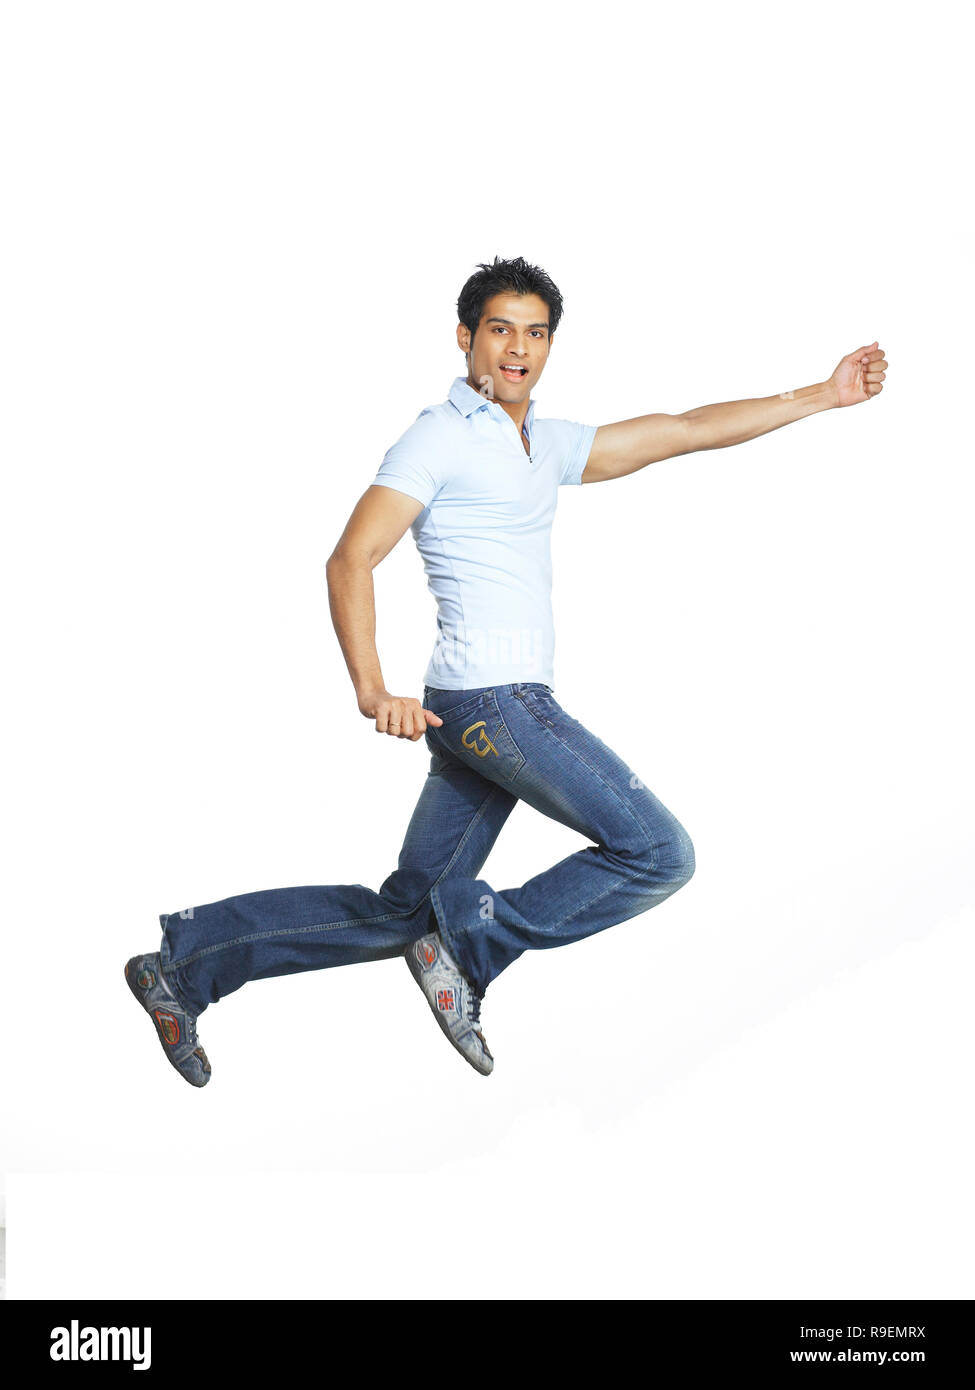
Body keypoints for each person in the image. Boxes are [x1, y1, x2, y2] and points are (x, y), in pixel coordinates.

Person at [125, 255, 888, 1085]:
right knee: (657, 852)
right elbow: (350, 559)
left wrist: (820, 395)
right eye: (499, 329)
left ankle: (187, 964)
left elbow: (684, 429)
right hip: (500, 704)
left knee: (406, 912)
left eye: (535, 332)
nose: (516, 348)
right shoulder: (439, 437)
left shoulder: (541, 445)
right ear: (466, 338)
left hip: (479, 713)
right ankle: (472, 943)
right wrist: (373, 689)